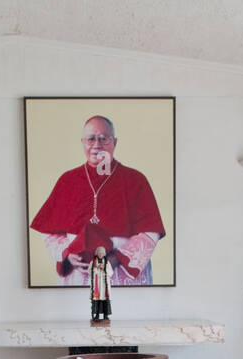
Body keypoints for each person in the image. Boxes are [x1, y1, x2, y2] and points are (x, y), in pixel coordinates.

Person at [31, 115, 166, 285]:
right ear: (83, 143)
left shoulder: (135, 180)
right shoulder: (68, 180)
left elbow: (150, 231)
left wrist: (117, 259)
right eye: (91, 139)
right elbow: (50, 231)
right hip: (79, 273)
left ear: (114, 142)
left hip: (120, 273)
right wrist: (67, 254)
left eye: (103, 138)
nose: (97, 145)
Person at [89, 246, 112, 323]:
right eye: (99, 252)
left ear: (104, 254)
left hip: (104, 285)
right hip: (97, 284)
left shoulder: (107, 262)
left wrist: (104, 268)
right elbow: (89, 271)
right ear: (97, 253)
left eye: (102, 253)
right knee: (97, 299)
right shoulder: (93, 262)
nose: (100, 254)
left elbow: (111, 272)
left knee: (105, 299)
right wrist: (96, 268)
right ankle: (97, 315)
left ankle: (106, 315)